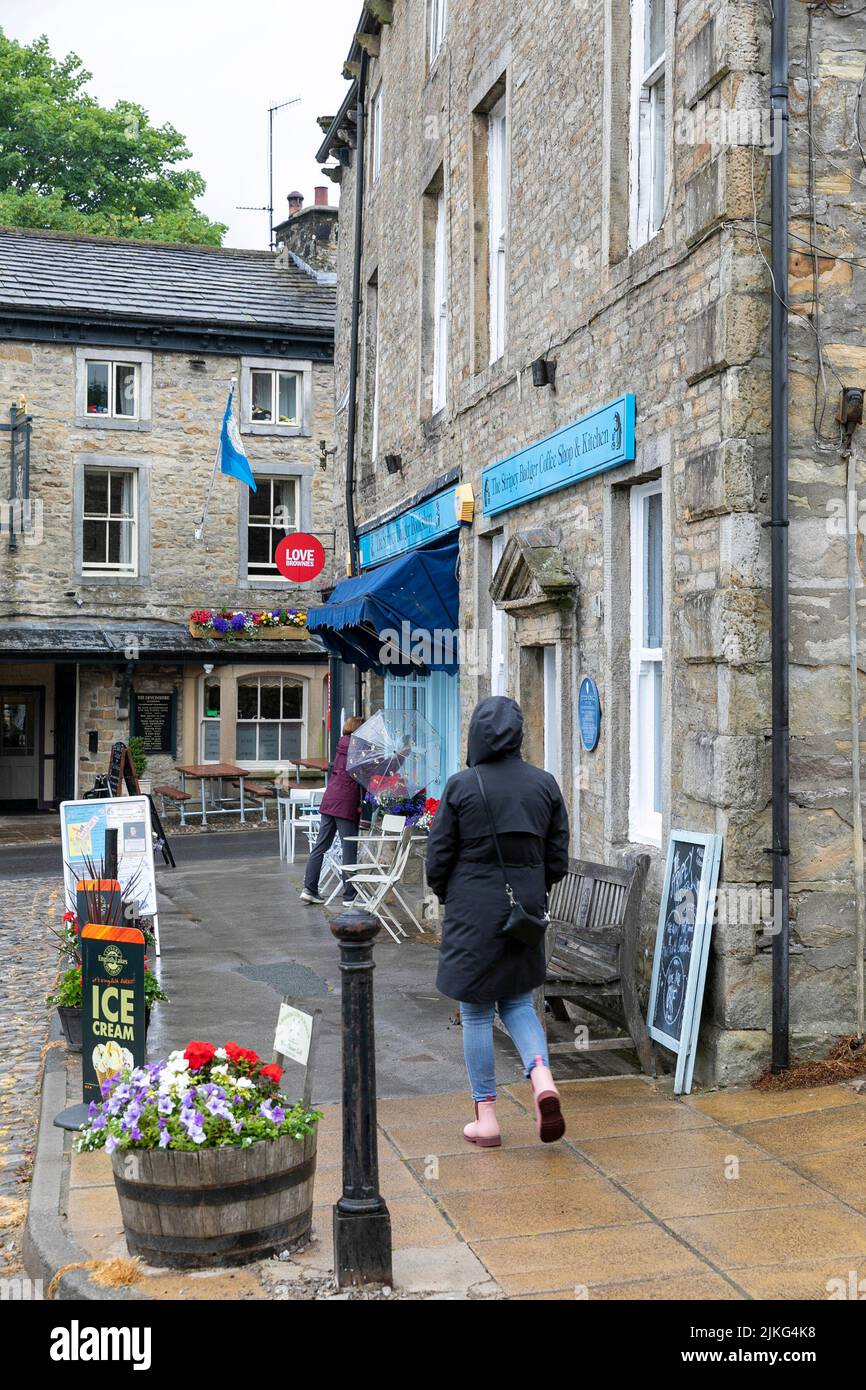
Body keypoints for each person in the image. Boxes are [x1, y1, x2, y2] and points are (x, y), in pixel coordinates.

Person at [425, 696, 570, 1147]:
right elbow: (558, 856)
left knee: (475, 1010)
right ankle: (542, 1078)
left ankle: (486, 1119)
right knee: (520, 1003)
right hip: (524, 907)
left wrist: (450, 895)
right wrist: (533, 889)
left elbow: (439, 856)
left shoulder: (462, 785)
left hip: (472, 905)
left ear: (477, 736)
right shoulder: (544, 784)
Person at [300, 715, 365, 906]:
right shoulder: (358, 748)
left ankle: (309, 889)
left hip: (330, 799)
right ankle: (350, 896)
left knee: (320, 846)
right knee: (349, 847)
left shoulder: (342, 744)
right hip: (345, 803)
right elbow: (371, 772)